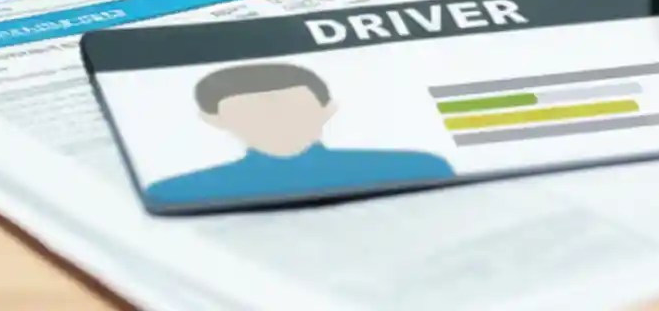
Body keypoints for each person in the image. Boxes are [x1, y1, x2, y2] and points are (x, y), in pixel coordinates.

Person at [145, 62, 453, 206]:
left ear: (327, 108)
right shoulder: (176, 194)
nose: (275, 119)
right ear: (213, 119)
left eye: (293, 107)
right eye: (250, 111)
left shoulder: (417, 168)